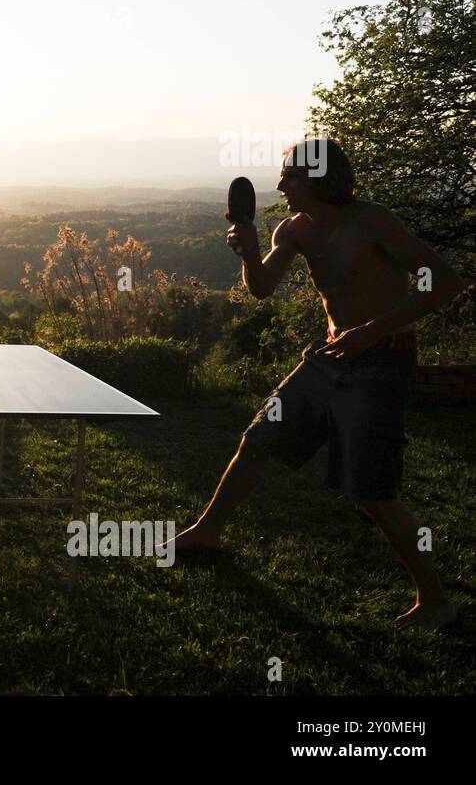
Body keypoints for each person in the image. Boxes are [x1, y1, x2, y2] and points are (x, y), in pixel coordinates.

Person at [171, 139, 466, 629]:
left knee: (372, 489)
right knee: (259, 438)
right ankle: (207, 532)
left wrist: (371, 330)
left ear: (321, 178)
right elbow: (262, 288)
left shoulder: (374, 222)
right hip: (328, 358)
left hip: (383, 361)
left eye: (290, 176)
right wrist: (247, 253)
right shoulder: (295, 230)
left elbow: (445, 281)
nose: (281, 185)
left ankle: (435, 601)